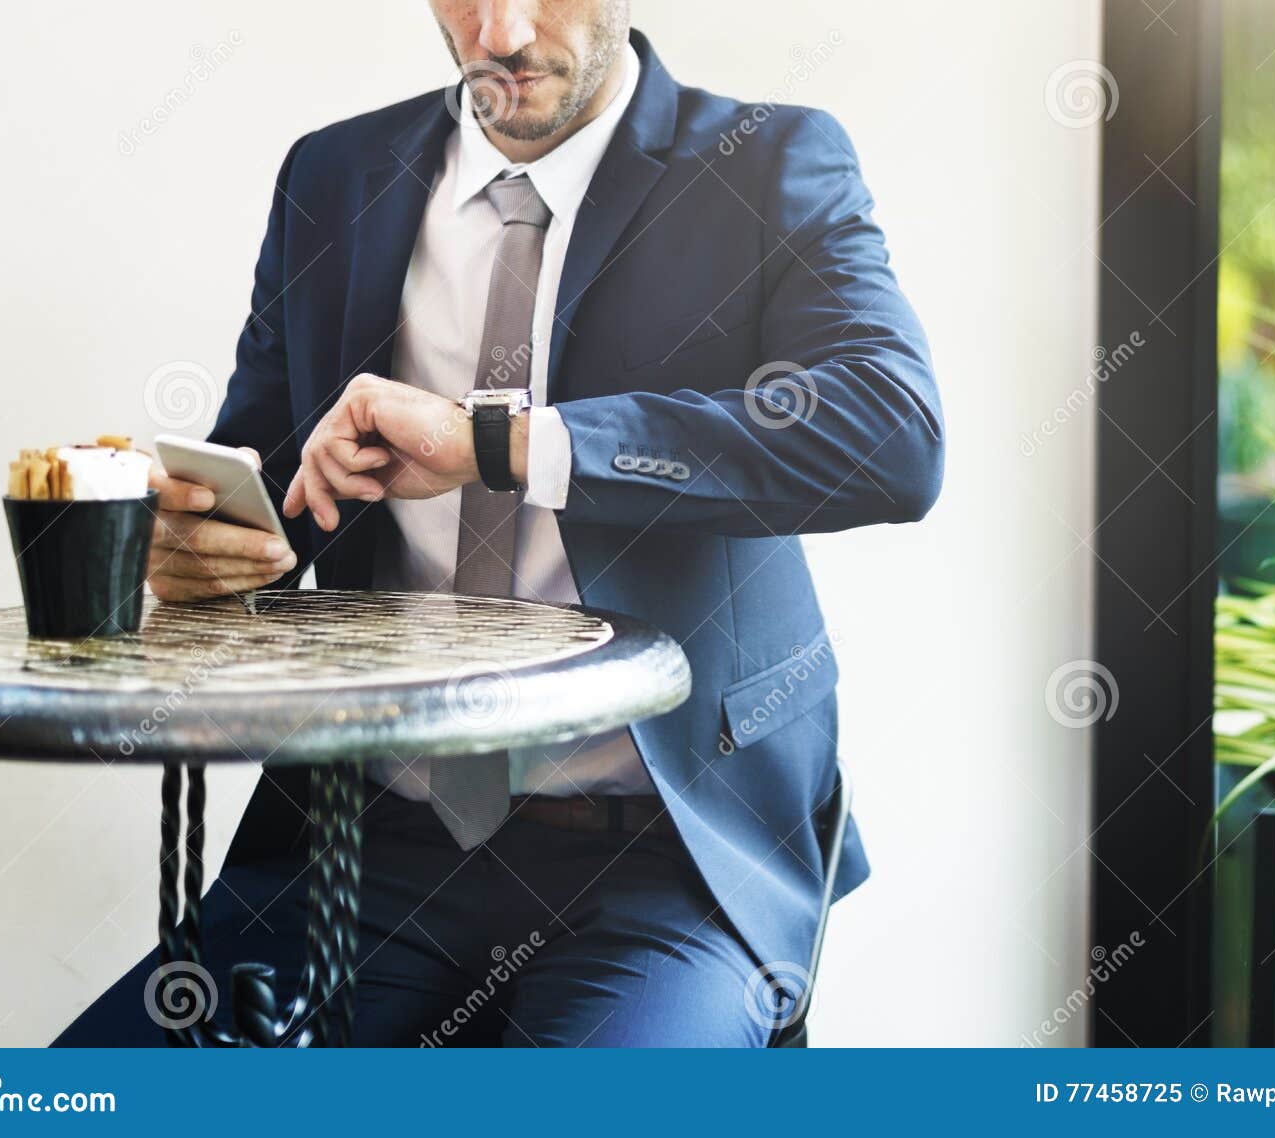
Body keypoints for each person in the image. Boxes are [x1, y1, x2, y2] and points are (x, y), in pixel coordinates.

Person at [56, 0, 942, 1047]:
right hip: (366, 839)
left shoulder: (768, 161)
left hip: (667, 862)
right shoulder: (331, 178)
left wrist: (499, 443)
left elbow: (892, 436)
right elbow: (276, 482)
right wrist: (211, 543)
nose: (501, 35)